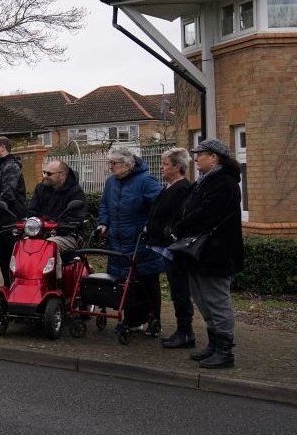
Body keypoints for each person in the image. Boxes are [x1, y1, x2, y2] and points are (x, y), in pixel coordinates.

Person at [172, 138, 244, 369]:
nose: (196, 158)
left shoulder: (224, 183)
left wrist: (179, 227)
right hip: (200, 253)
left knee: (217, 301)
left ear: (214, 157)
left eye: (200, 154)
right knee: (203, 301)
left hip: (217, 253)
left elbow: (206, 214)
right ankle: (214, 344)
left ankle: (225, 351)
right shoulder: (206, 181)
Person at [96, 146, 164, 334]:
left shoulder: (146, 181)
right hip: (117, 242)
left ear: (127, 164)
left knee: (147, 283)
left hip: (140, 242)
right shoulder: (111, 182)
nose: (110, 167)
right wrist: (103, 223)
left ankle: (154, 321)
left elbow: (159, 207)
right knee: (125, 284)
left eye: (113, 163)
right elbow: (105, 205)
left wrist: (150, 226)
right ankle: (133, 321)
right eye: (109, 163)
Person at [145, 147, 195, 349]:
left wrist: (164, 231)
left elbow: (177, 218)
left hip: (175, 249)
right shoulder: (170, 187)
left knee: (180, 290)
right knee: (176, 289)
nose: (161, 167)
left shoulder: (182, 189)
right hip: (166, 246)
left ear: (178, 167)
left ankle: (185, 332)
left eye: (165, 164)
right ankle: (183, 331)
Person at [0, 136, 27, 287]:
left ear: (3, 147)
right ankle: (8, 287)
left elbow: (7, 193)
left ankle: (17, 288)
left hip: (11, 220)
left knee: (12, 258)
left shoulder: (11, 166)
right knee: (2, 257)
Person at [26, 159, 86, 253]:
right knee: (22, 243)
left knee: (50, 246)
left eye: (49, 174)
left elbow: (75, 219)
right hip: (40, 232)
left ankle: (55, 264)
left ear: (62, 175)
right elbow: (32, 211)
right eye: (44, 172)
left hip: (68, 235)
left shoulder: (75, 192)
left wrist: (58, 227)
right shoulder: (41, 188)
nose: (45, 176)